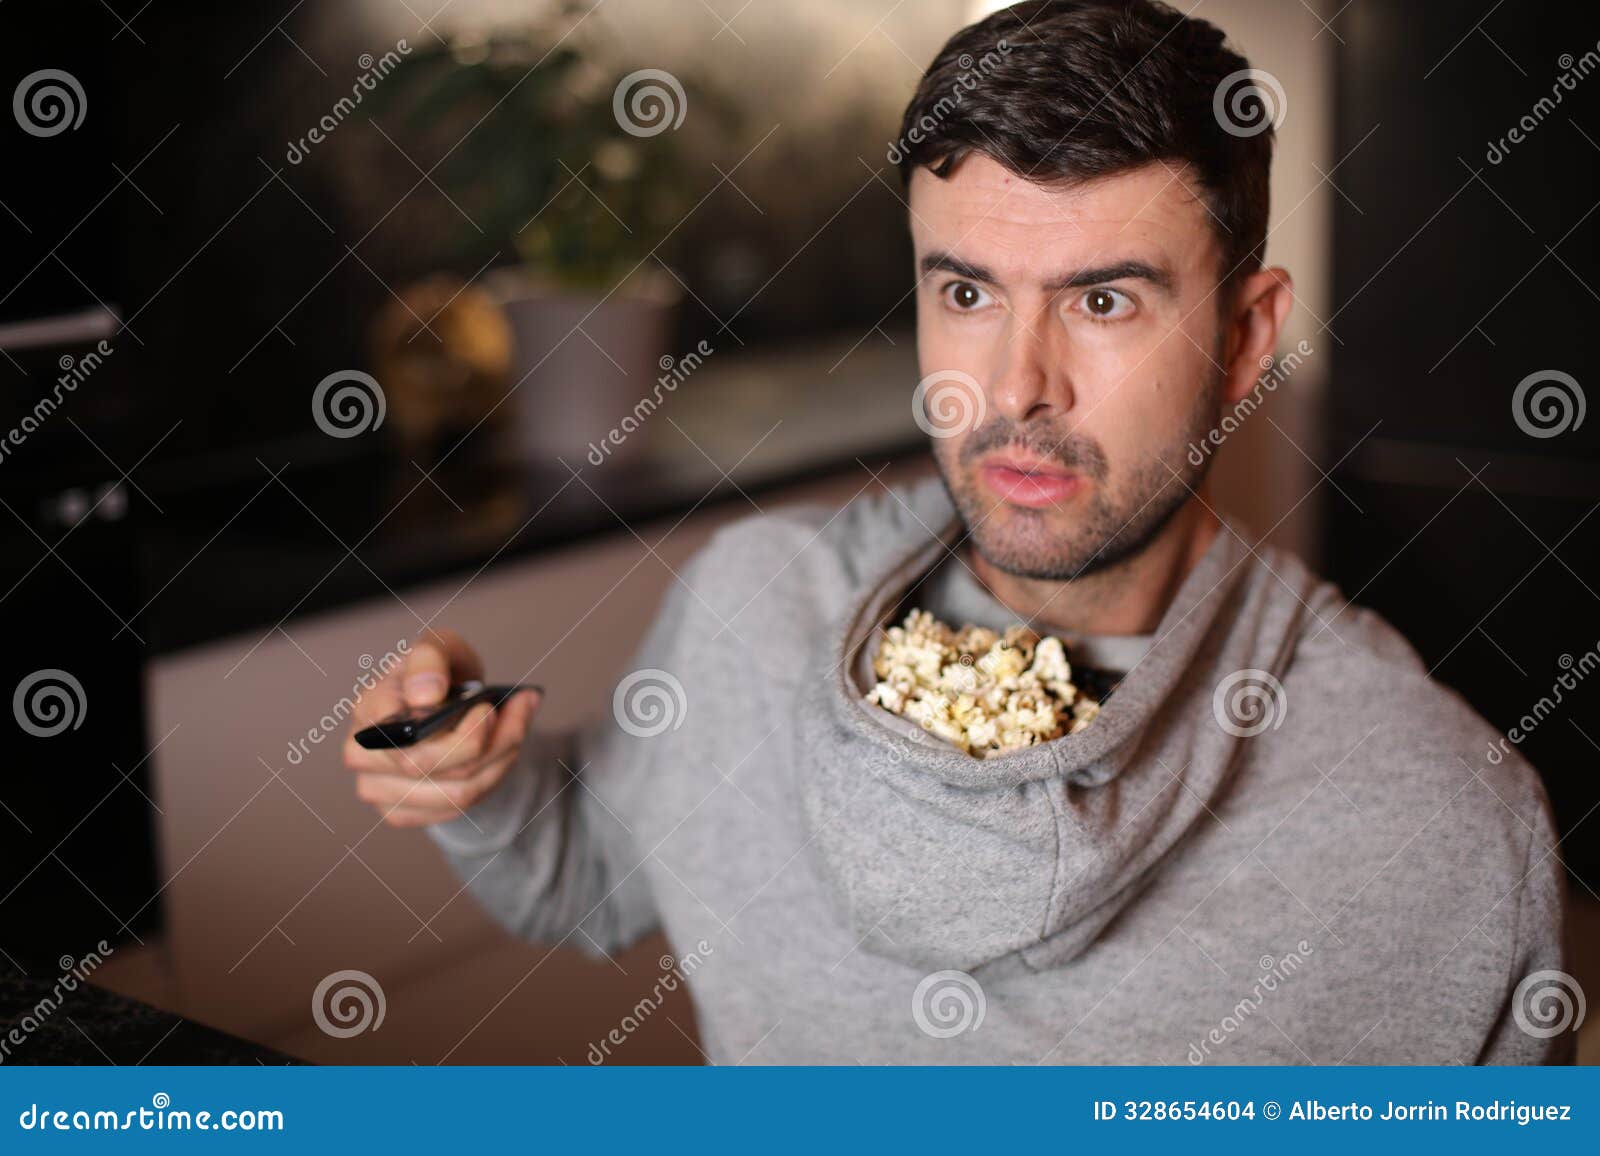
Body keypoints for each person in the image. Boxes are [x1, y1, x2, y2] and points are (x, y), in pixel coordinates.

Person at [342, 0, 1570, 1064]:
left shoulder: (1433, 829)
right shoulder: (754, 609)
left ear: (1245, 339)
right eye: (967, 292)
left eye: (1101, 300)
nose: (1015, 388)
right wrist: (483, 785)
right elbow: (582, 873)